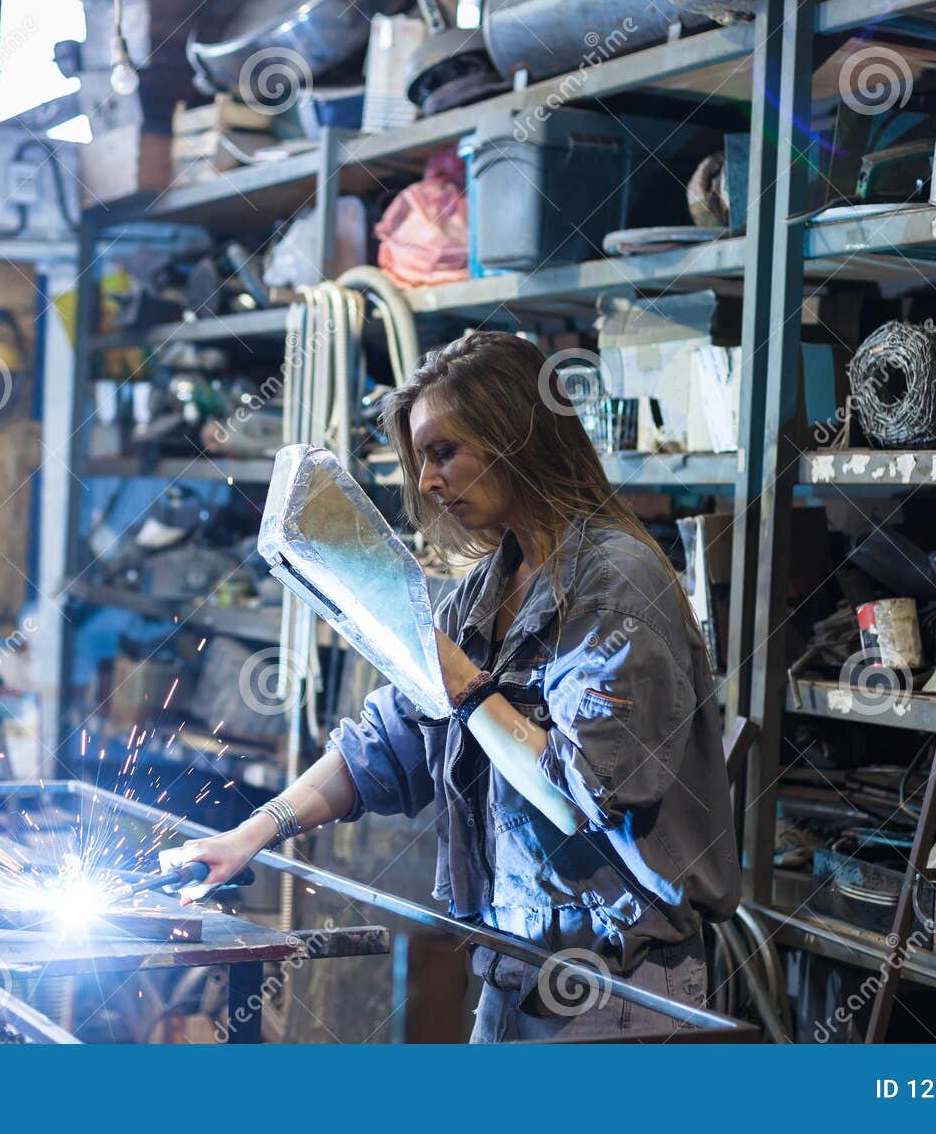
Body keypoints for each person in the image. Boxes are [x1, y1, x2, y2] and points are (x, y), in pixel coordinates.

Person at [163, 330, 740, 1042]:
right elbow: (387, 743)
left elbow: (574, 796)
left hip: (624, 991)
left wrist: (463, 681)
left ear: (517, 437)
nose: (430, 482)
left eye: (444, 452)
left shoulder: (619, 586)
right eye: (420, 459)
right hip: (516, 971)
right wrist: (250, 834)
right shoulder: (480, 593)